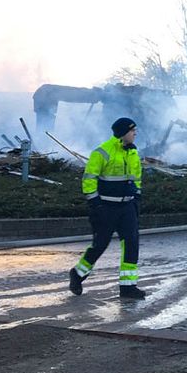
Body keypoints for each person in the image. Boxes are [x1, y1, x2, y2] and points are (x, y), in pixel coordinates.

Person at [68, 117, 146, 299]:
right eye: (132, 130)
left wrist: (137, 196)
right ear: (123, 132)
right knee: (100, 245)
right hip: (106, 208)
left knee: (131, 245)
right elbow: (89, 178)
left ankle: (128, 287)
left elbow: (136, 178)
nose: (135, 133)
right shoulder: (102, 152)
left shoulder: (132, 152)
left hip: (127, 207)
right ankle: (78, 274)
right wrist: (95, 203)